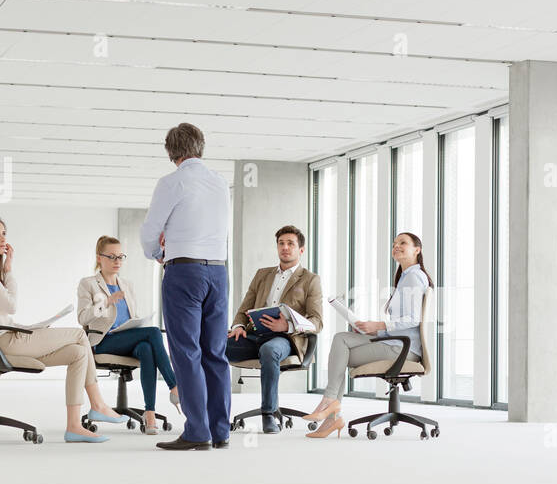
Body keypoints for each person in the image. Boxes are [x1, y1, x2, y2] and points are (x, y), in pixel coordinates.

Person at [0, 216, 121, 443]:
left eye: (4, 232)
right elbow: (11, 305)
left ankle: (75, 426)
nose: (2, 238)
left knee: (78, 353)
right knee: (78, 334)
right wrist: (9, 269)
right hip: (0, 342)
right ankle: (98, 404)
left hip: (2, 337)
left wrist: (29, 327)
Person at [140, 123, 231, 451]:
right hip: (219, 273)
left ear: (171, 152)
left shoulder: (171, 182)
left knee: (186, 352)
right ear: (201, 146)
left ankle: (197, 431)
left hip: (184, 272)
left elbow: (150, 230)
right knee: (215, 353)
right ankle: (220, 431)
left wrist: (157, 253)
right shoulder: (220, 183)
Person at [304, 232, 431, 439]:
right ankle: (330, 409)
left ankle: (330, 410)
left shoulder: (414, 277)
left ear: (417, 250)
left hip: (403, 348)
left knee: (340, 354)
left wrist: (379, 325)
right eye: (394, 243)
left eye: (403, 243)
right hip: (395, 341)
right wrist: (370, 328)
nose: (396, 246)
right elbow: (402, 321)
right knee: (341, 339)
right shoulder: (406, 277)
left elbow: (413, 319)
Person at [76, 236, 181, 435]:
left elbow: (132, 316)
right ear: (99, 258)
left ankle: (149, 413)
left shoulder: (127, 284)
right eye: (112, 256)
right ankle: (174, 386)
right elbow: (82, 318)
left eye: (121, 257)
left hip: (126, 338)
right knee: (153, 332)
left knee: (146, 348)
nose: (117, 261)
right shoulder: (88, 284)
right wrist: (106, 302)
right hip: (103, 341)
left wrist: (138, 323)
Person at [226, 225, 324, 433]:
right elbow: (244, 308)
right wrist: (238, 326)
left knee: (270, 350)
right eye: (281, 243)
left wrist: (287, 325)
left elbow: (317, 321)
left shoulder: (310, 280)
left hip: (285, 339)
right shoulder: (262, 274)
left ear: (301, 250)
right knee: (214, 346)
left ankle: (268, 414)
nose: (285, 248)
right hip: (254, 335)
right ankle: (216, 412)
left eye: (291, 244)